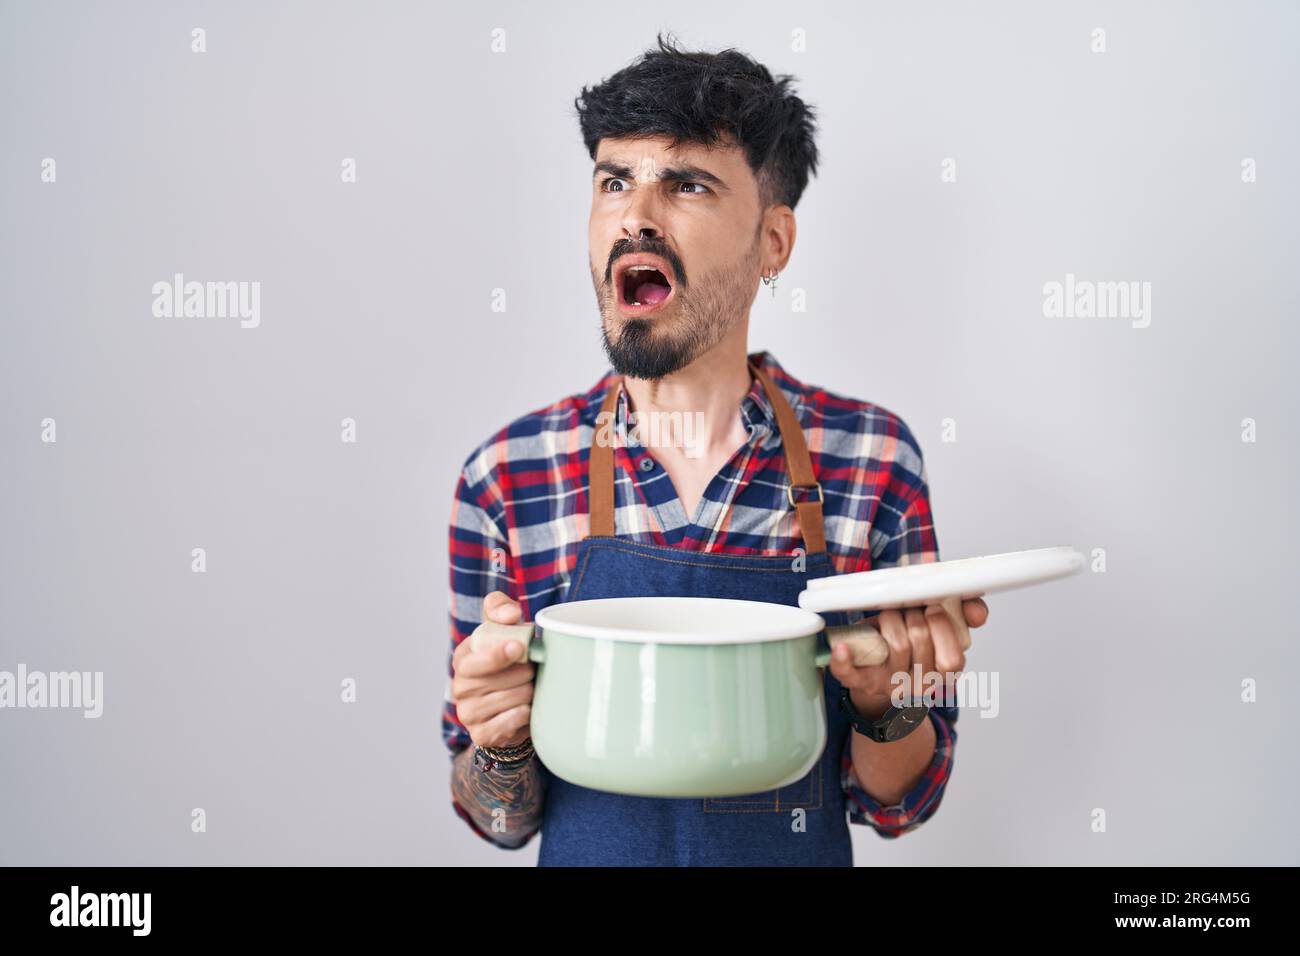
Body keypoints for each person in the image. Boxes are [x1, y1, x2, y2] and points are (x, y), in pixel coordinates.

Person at [442, 33, 989, 866]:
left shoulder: (871, 460)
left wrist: (890, 704)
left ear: (774, 241)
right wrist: (499, 741)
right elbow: (497, 818)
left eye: (688, 183)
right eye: (613, 180)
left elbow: (901, 802)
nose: (635, 216)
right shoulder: (508, 475)